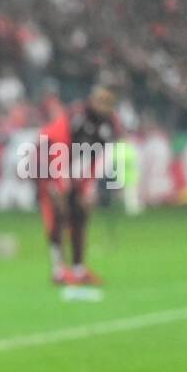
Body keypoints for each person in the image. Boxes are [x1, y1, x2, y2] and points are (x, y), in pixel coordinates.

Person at [37, 85, 118, 285]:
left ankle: (79, 268)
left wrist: (88, 186)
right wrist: (59, 180)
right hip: (50, 160)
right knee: (58, 214)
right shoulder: (77, 117)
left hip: (75, 168)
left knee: (80, 215)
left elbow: (98, 156)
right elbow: (57, 143)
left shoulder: (108, 125)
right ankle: (58, 270)